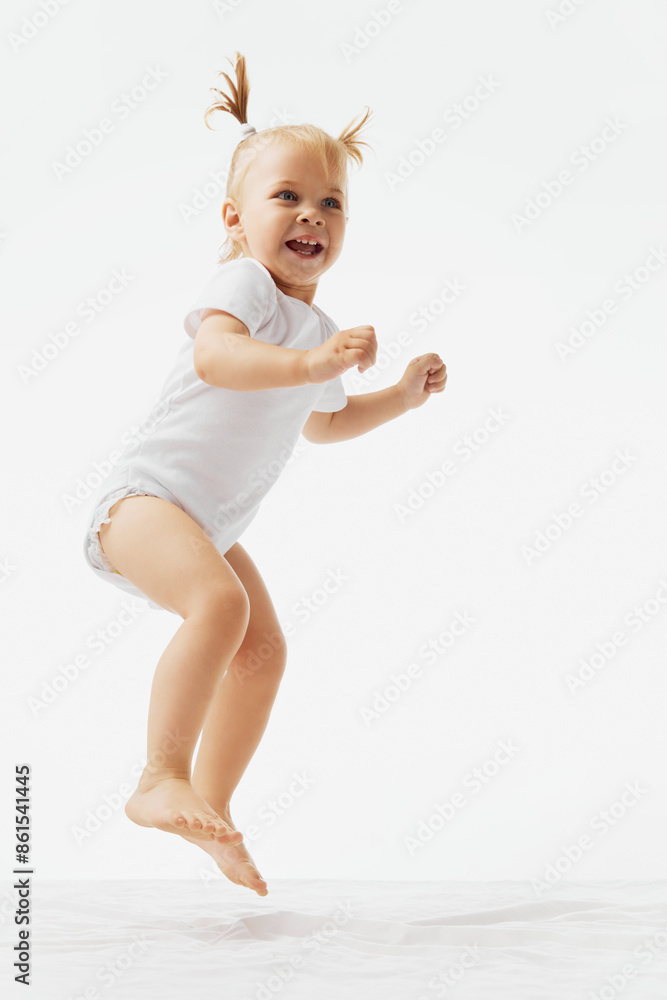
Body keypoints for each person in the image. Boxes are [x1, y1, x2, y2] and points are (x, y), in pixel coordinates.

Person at [82, 51, 447, 897]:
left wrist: (395, 395)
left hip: (204, 523)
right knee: (223, 604)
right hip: (143, 504)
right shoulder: (242, 284)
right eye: (286, 196)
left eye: (330, 201)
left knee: (262, 651)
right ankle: (158, 777)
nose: (310, 214)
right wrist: (312, 356)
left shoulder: (311, 320)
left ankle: (208, 807)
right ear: (236, 218)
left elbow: (324, 422)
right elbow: (218, 359)